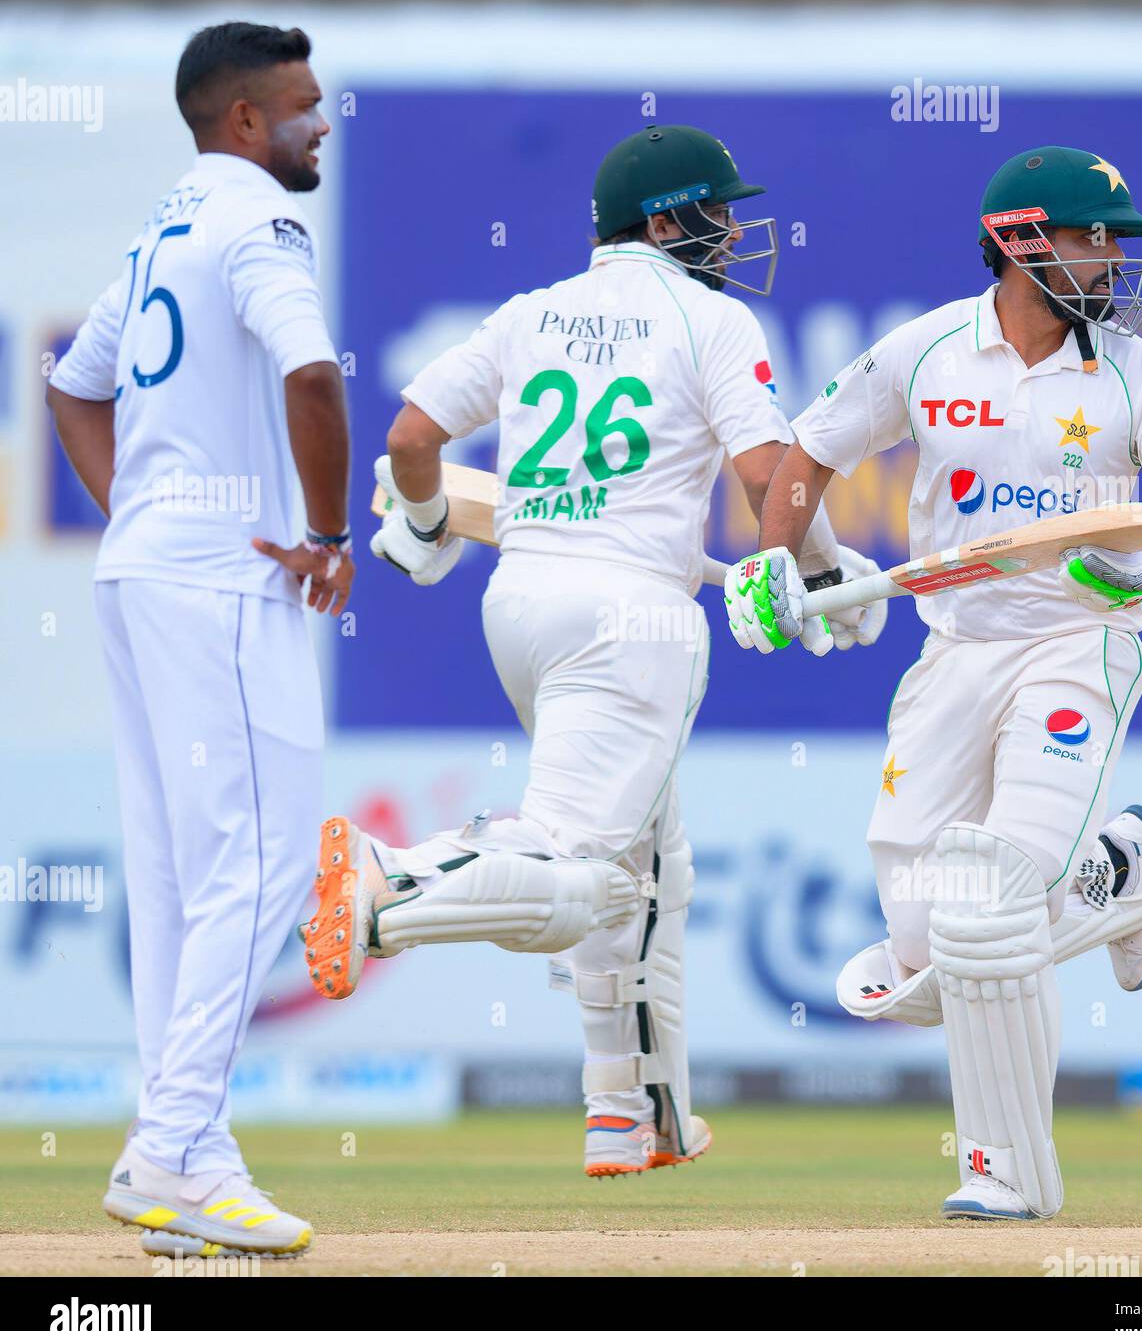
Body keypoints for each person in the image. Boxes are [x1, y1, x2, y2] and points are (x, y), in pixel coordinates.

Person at [305, 124, 882, 1178]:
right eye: (717, 214)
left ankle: (631, 1108)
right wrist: (825, 567)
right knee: (578, 869)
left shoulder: (532, 314)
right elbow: (769, 479)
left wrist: (428, 526)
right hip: (633, 618)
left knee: (650, 866)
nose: (733, 234)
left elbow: (410, 440)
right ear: (665, 221)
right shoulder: (709, 317)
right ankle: (391, 889)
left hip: (520, 603)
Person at [723, 145, 1142, 1220]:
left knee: (996, 896)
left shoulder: (1133, 372)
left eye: (1112, 242)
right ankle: (1112, 867)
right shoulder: (925, 351)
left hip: (1076, 643)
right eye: (1092, 238)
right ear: (1019, 241)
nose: (1109, 261)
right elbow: (806, 455)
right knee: (926, 943)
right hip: (950, 650)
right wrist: (783, 562)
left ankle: (999, 1168)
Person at [47, 21, 352, 1259]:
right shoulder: (262, 223)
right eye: (301, 105)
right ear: (243, 121)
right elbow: (315, 372)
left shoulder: (165, 224)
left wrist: (145, 511)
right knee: (265, 859)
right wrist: (327, 533)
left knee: (180, 876)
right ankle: (169, 1147)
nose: (320, 122)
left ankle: (190, 1151)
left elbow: (73, 385)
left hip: (147, 574)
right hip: (225, 582)